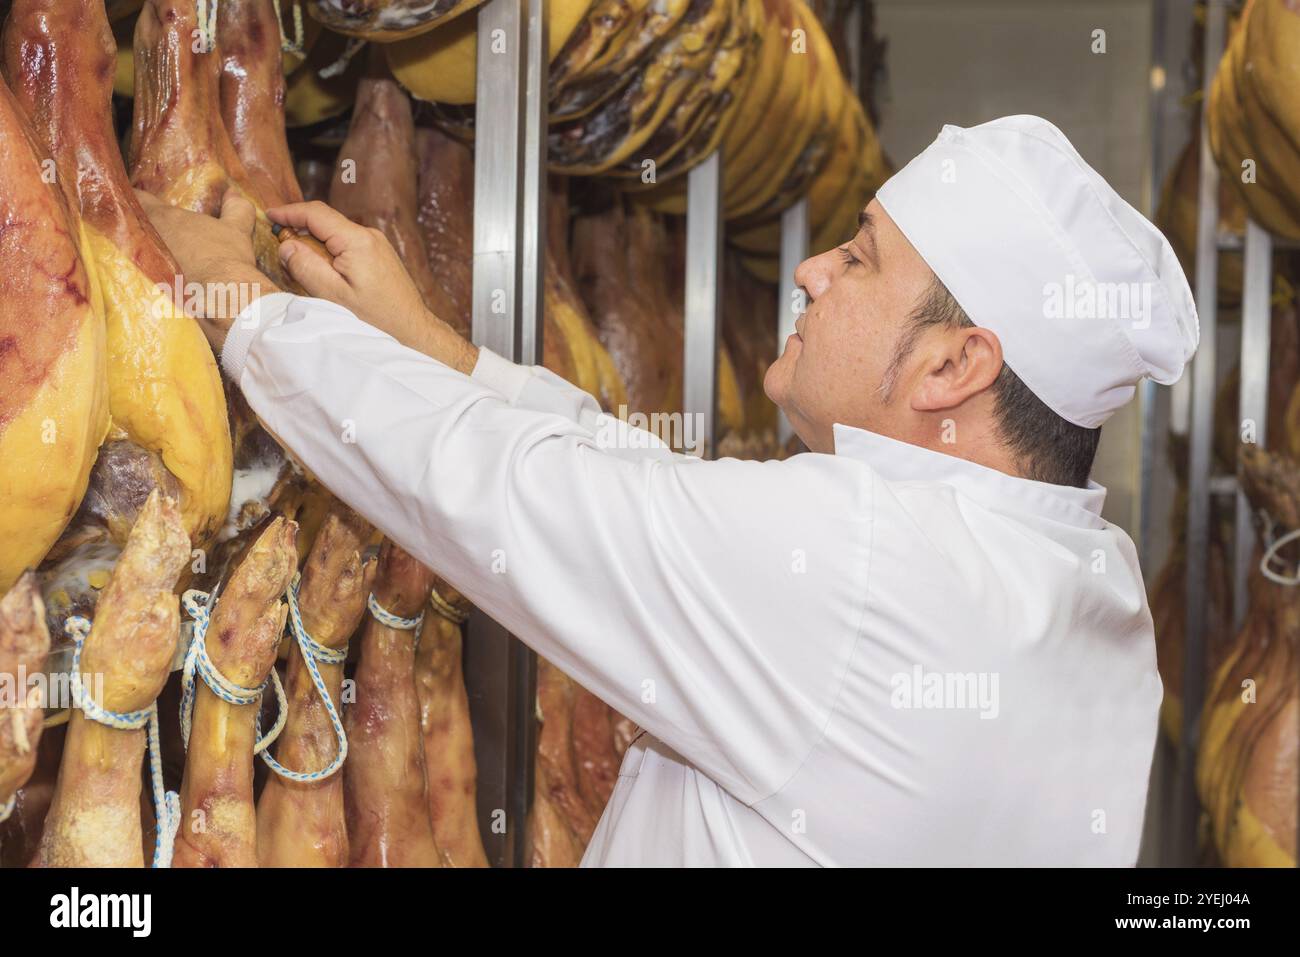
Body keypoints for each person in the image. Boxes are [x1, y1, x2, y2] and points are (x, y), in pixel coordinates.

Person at [141, 115, 1197, 867]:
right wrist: (436, 350)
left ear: (950, 371)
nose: (809, 272)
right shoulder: (1076, 576)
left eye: (859, 260)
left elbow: (498, 492)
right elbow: (655, 493)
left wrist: (248, 314)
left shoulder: (867, 575)